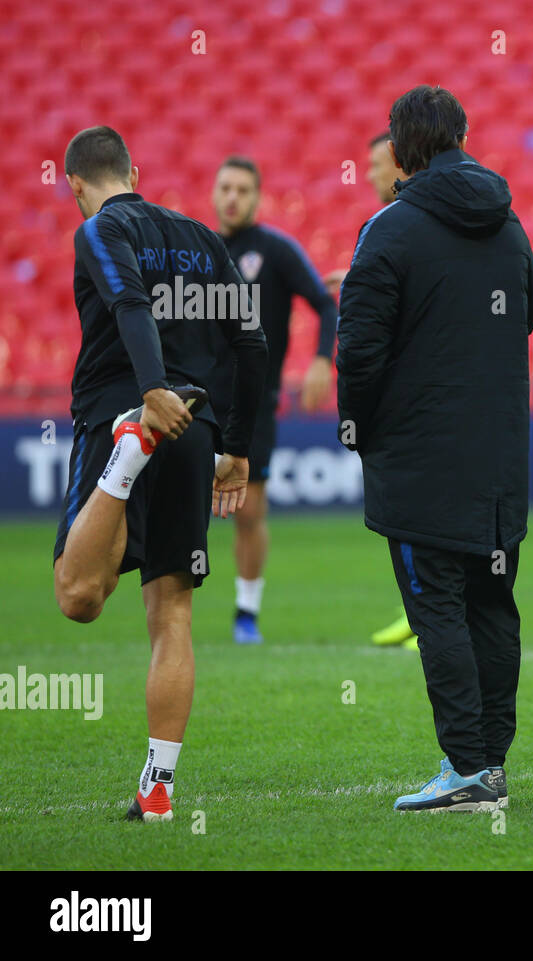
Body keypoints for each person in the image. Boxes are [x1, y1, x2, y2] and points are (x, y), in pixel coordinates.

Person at [53, 126, 267, 820]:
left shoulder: (97, 230)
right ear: (135, 171)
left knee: (79, 596)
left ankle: (122, 460)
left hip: (131, 412)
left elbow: (128, 303)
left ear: (76, 184)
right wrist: (238, 448)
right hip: (195, 428)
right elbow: (252, 341)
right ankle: (158, 790)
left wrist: (149, 395)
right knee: (173, 611)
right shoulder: (202, 237)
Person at [337, 85, 533, 813]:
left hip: (421, 459)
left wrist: (358, 428)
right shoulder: (510, 224)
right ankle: (490, 762)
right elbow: (527, 315)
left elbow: (357, 351)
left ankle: (467, 768)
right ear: (459, 135)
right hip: (500, 459)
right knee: (492, 606)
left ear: (400, 149)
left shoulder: (389, 228)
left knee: (439, 613)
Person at [209, 156, 339, 644]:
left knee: (248, 509)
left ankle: (246, 612)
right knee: (177, 507)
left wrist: (322, 360)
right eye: (225, 188)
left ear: (257, 197)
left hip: (254, 402)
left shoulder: (277, 250)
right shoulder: (197, 251)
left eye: (243, 189)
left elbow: (325, 303)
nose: (233, 197)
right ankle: (171, 599)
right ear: (214, 194)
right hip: (194, 400)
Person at [324, 131, 418, 651]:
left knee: (419, 512)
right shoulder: (389, 230)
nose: (369, 175)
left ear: (402, 164)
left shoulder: (401, 226)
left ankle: (428, 617)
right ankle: (418, 613)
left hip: (412, 404)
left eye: (377, 164)